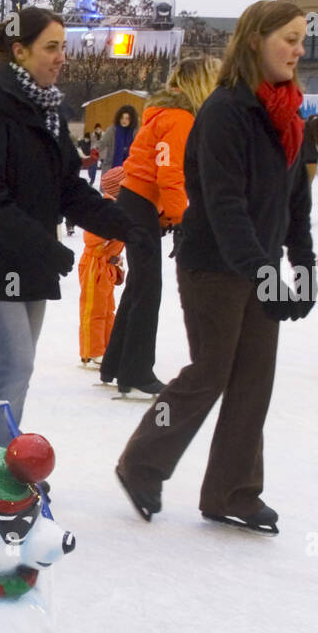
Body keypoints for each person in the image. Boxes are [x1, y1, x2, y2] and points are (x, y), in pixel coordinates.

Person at [114, 0, 318, 535]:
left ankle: (234, 490)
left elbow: (296, 203)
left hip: (257, 264)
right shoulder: (226, 111)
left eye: (302, 40)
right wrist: (264, 274)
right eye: (289, 39)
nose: (299, 50)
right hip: (213, 265)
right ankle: (142, 462)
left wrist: (304, 268)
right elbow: (224, 205)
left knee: (255, 377)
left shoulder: (288, 116)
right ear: (255, 40)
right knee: (210, 371)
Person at [0, 6, 146, 448]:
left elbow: (68, 189)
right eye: (51, 48)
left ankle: (3, 464)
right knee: (14, 364)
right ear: (19, 51)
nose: (61, 58)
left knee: (20, 367)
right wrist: (45, 247)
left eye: (63, 48)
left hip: (31, 258)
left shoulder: (49, 111)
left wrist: (127, 226)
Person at [100, 56, 222, 397]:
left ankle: (117, 365)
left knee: (140, 285)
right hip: (140, 204)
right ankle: (136, 372)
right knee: (147, 288)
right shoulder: (180, 119)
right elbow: (171, 175)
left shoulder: (166, 115)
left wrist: (168, 215)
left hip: (136, 202)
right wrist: (181, 219)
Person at [77, 166, 126, 367]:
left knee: (108, 310)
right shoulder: (105, 209)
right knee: (93, 309)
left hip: (108, 268)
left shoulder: (121, 209)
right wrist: (112, 232)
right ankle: (92, 351)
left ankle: (106, 347)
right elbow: (90, 237)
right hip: (94, 266)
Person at [98, 103, 140, 172]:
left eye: (127, 118)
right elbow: (102, 144)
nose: (124, 120)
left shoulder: (136, 132)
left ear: (132, 120)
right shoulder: (111, 130)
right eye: (122, 118)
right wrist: (95, 151)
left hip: (131, 170)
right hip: (111, 168)